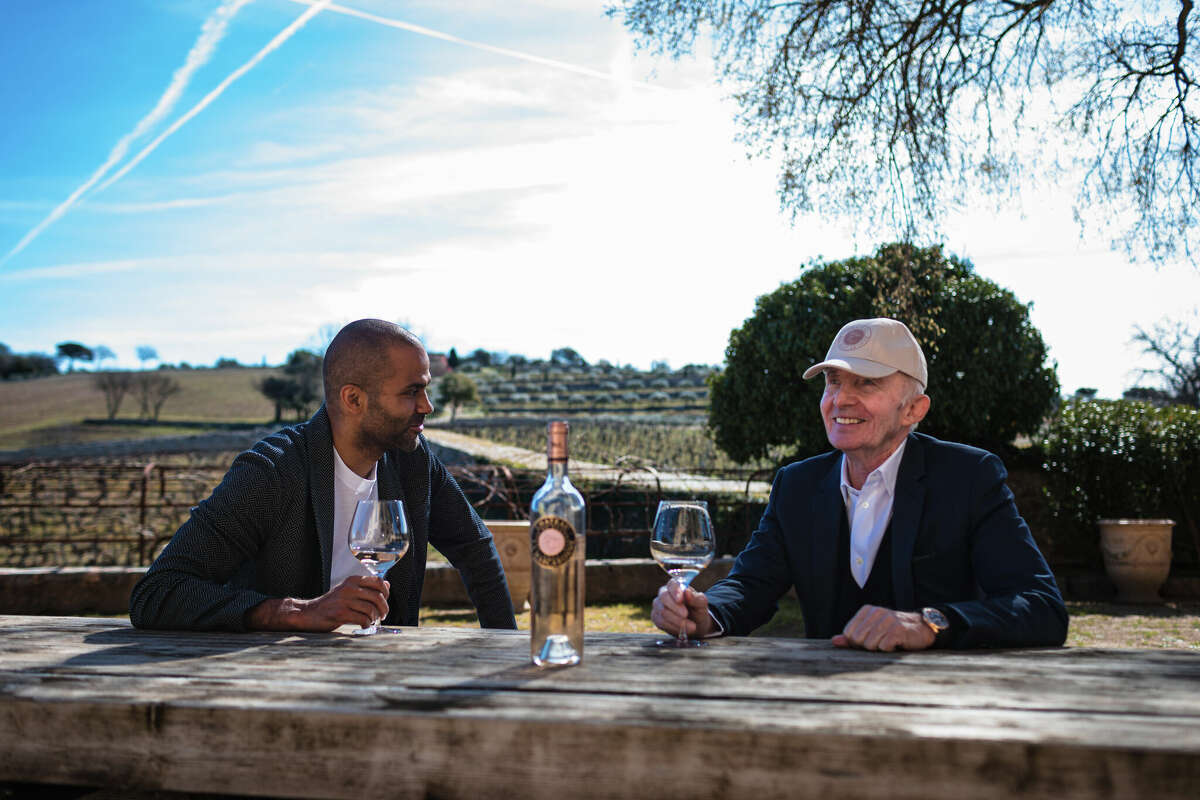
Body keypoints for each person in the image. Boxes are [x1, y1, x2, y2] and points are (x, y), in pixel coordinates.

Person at [652, 317, 1067, 650]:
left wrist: (931, 623)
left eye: (866, 383)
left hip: (943, 712)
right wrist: (705, 615)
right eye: (833, 382)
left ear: (913, 409)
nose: (840, 399)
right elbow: (750, 585)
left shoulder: (969, 478)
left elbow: (1041, 608)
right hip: (823, 707)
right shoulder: (797, 485)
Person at [130, 319, 516, 632]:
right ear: (353, 399)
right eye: (411, 392)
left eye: (426, 390)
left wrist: (504, 651)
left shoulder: (412, 461)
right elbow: (158, 592)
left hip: (386, 684)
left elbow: (475, 548)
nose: (427, 407)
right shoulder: (271, 473)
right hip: (267, 685)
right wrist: (294, 612)